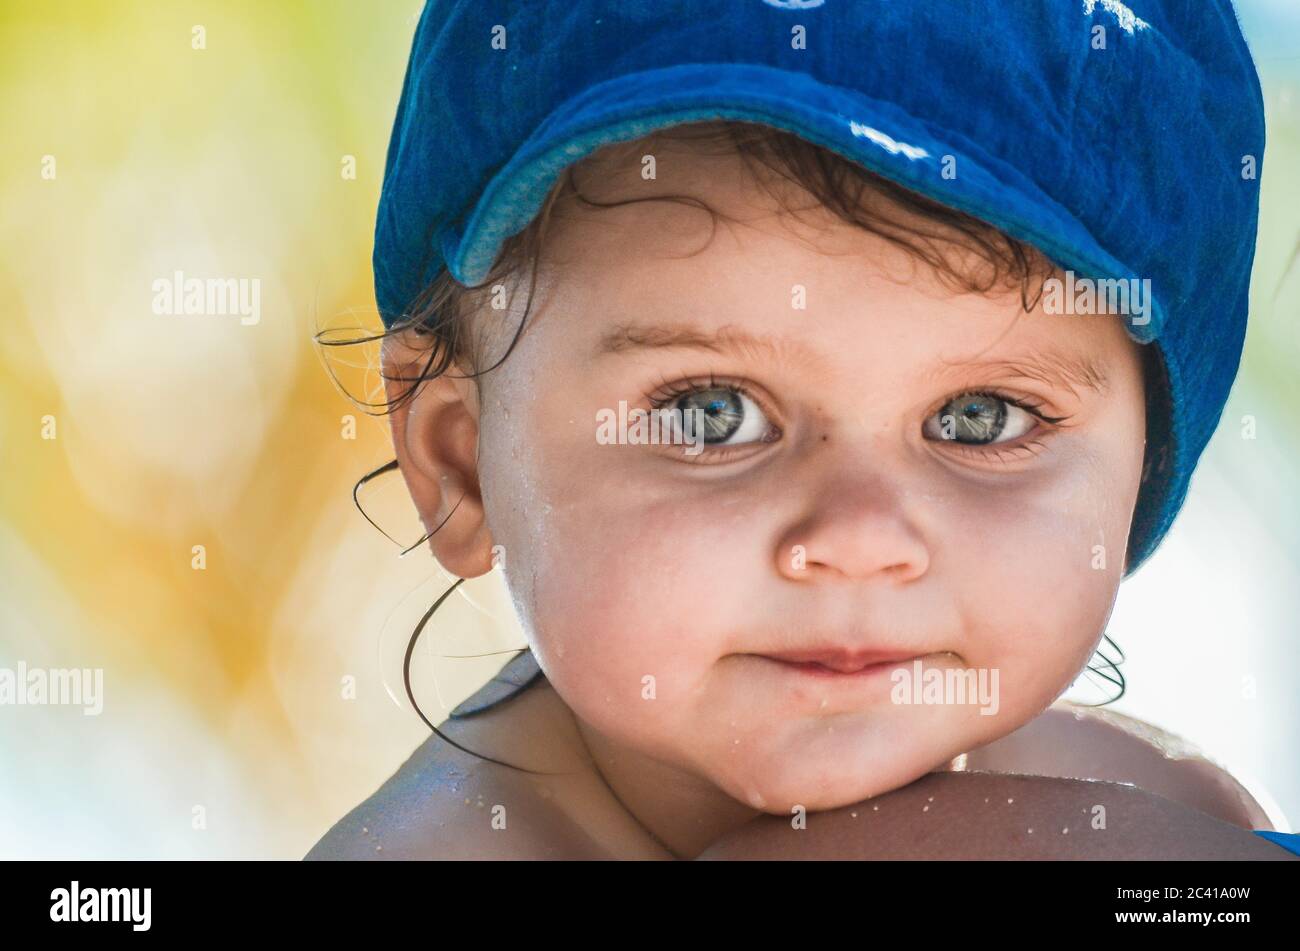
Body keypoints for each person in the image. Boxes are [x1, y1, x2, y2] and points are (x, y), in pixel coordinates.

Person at [307, 0, 1299, 860]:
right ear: (461, 464)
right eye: (713, 413)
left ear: (1141, 469)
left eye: (977, 418)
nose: (858, 539)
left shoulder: (1166, 815)